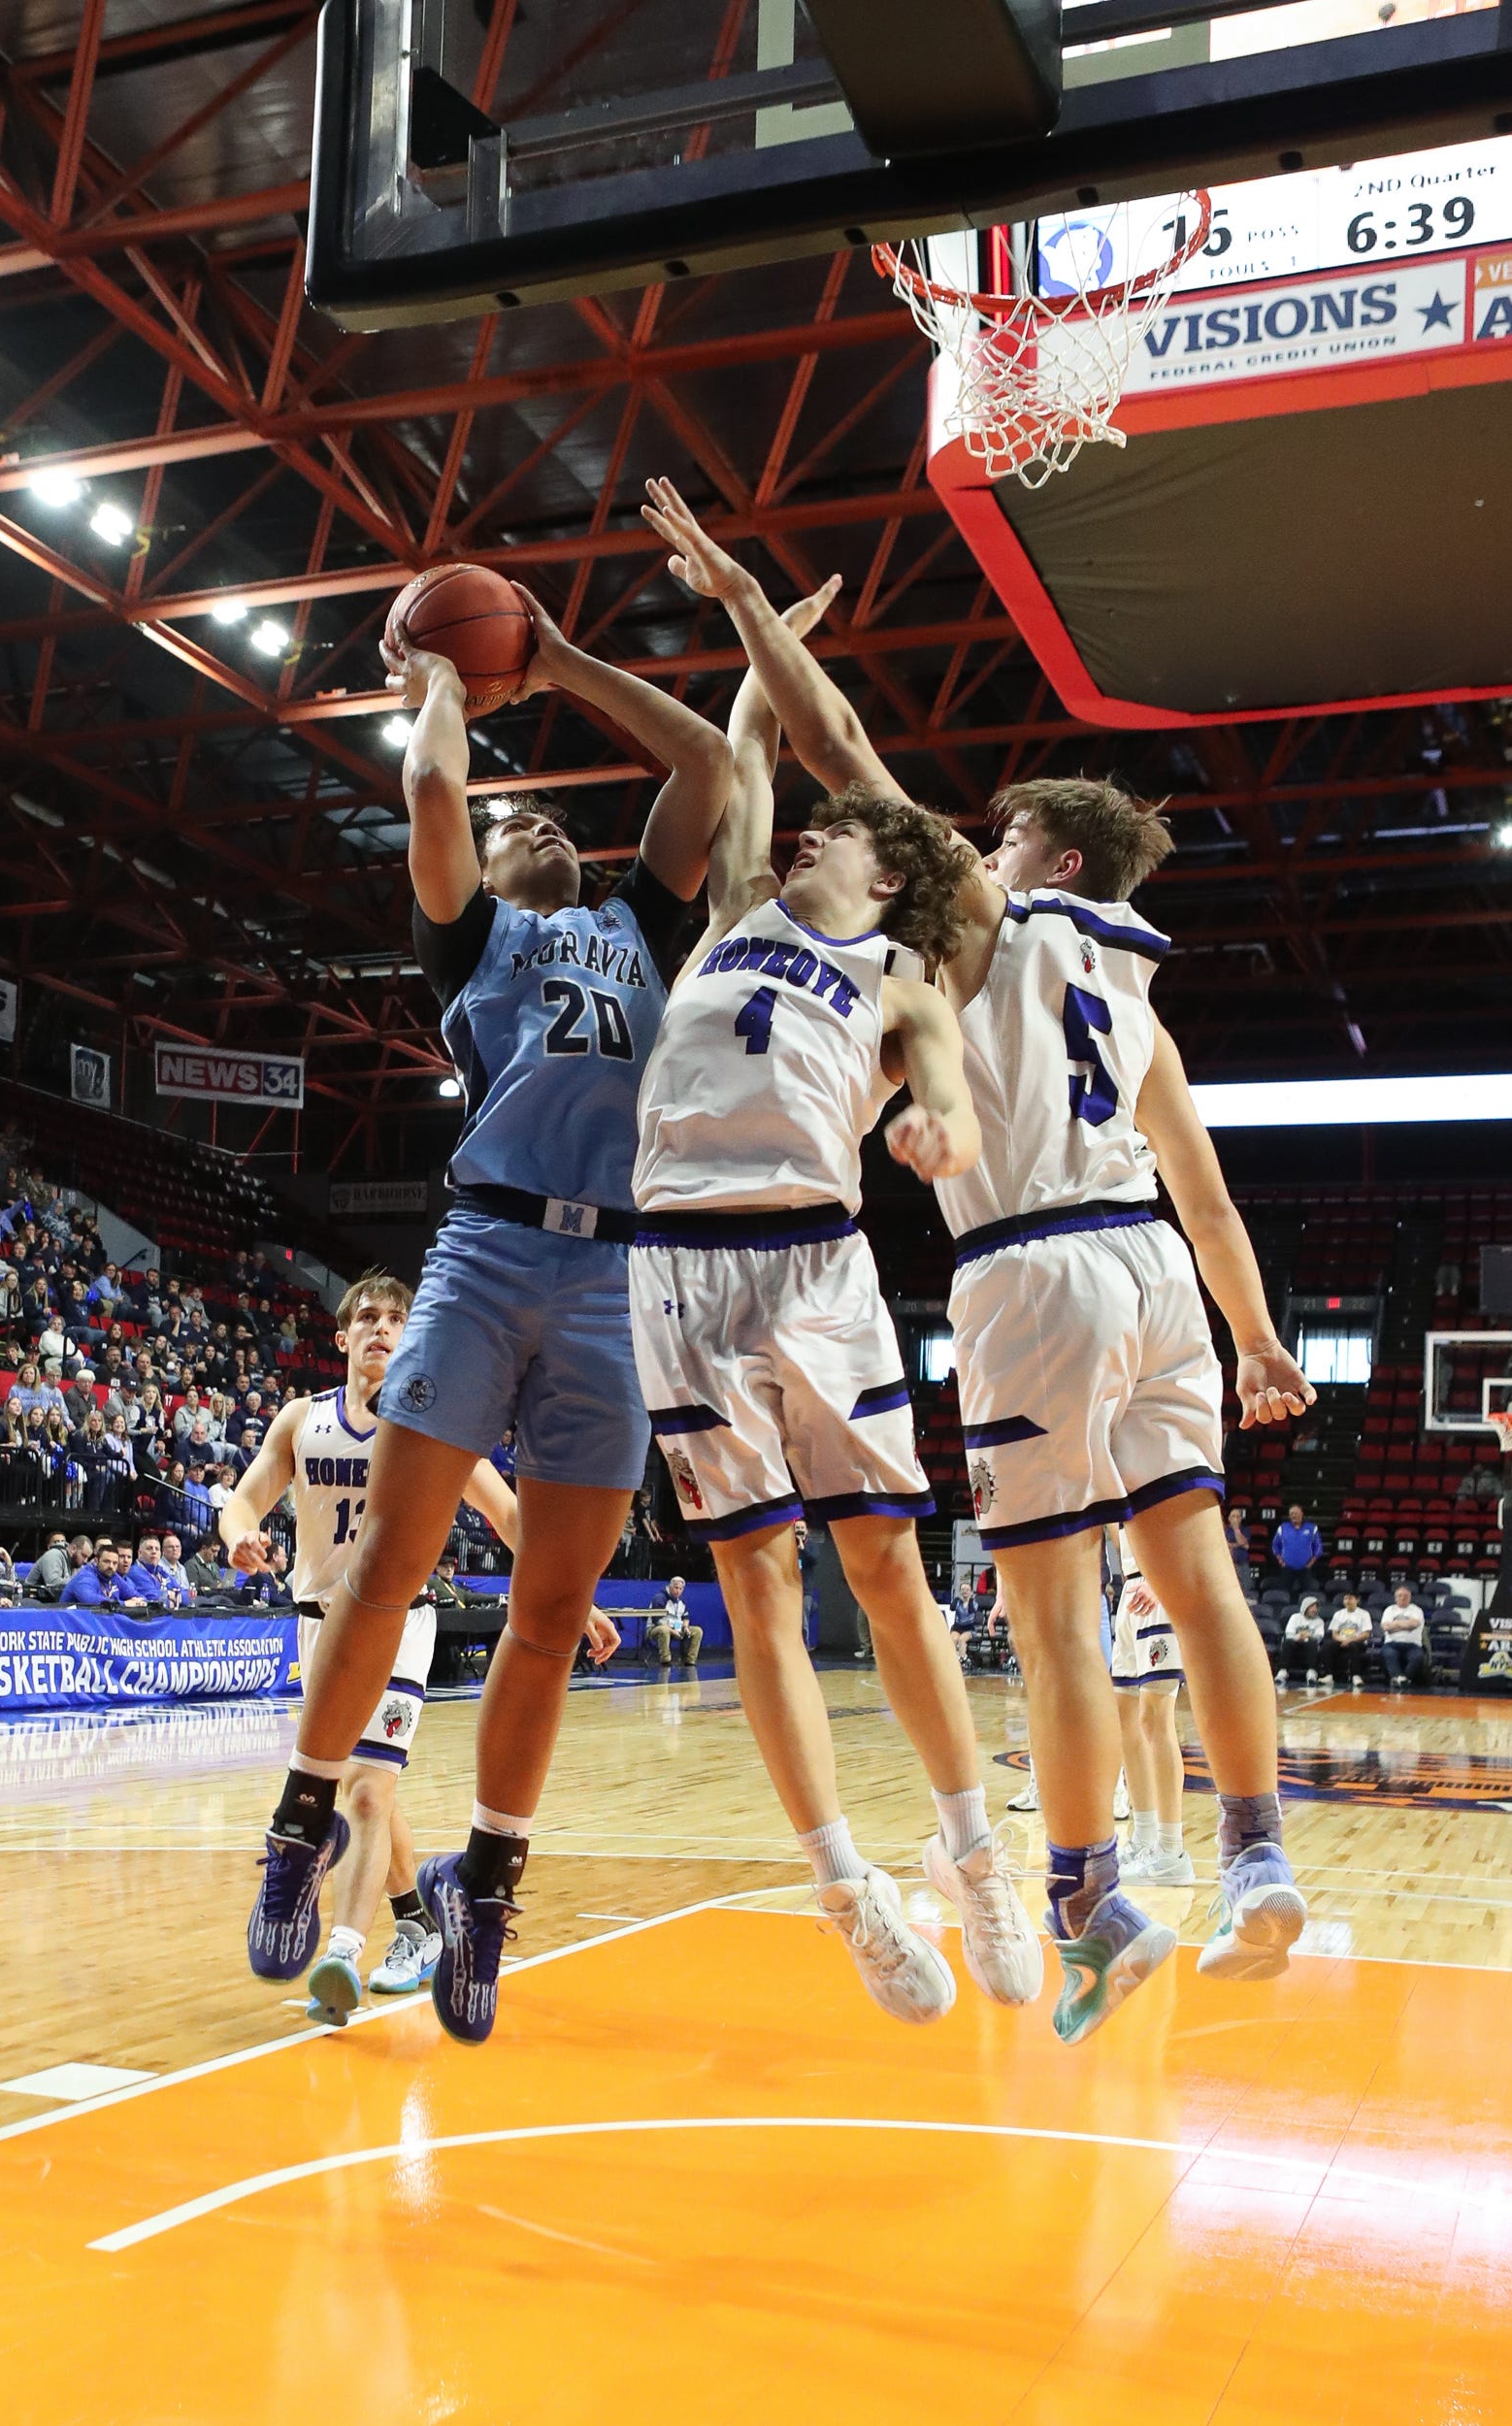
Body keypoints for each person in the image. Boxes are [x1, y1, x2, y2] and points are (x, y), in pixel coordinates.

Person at [652, 493, 1312, 2041]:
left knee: (1055, 1617)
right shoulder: (1133, 996)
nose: (976, 839)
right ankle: (1254, 1852)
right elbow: (1211, 1203)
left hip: (1031, 1273)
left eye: (1002, 832)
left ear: (1048, 853)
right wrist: (1258, 1344)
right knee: (1197, 1579)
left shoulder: (990, 913)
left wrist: (743, 605)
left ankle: (1083, 1896)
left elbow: (833, 745)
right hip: (1156, 1268)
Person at [247, 591, 734, 2048]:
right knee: (388, 1567)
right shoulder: (471, 942)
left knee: (553, 1612)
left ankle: (488, 1885)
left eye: (545, 817)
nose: (534, 824)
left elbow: (706, 763)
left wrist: (562, 661)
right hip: (486, 1251)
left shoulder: (640, 920)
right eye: (514, 820)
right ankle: (300, 1826)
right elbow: (431, 788)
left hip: (612, 1280)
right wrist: (446, 682)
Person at [632, 484, 1042, 2022]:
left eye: (850, 830)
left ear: (886, 875)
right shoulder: (732, 911)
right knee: (752, 1583)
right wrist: (749, 621)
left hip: (813, 1263)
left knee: (878, 1566)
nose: (820, 829)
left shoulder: (901, 975)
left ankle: (969, 1854)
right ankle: (841, 1887)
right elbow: (746, 749)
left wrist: (937, 1130)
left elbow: (947, 1098)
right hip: (671, 1269)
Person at [234, 1275, 531, 2020]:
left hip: (401, 1620)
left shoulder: (434, 1428)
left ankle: (340, 1953)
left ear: (410, 1338)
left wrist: (568, 1591)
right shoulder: (302, 1419)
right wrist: (240, 1535)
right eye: (367, 1317)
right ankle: (418, 1924)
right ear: (343, 1337)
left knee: (366, 1789)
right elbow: (245, 1498)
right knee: (363, 1788)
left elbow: (508, 1516)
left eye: (396, 1319)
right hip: (319, 1624)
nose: (381, 1329)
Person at [1109, 1536, 1194, 1887]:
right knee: (1125, 1716)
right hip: (1131, 1588)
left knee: (1155, 1717)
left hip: (1157, 1585)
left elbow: (1186, 1525)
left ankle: (1172, 1850)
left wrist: (1163, 1578)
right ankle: (1144, 1837)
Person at [646, 1576, 704, 1668]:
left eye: (681, 1589)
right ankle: (666, 1660)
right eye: (676, 1588)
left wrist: (685, 1627)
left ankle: (690, 1660)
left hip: (676, 1628)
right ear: (670, 1587)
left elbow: (685, 1617)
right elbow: (657, 1620)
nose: (678, 1591)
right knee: (664, 1630)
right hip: (656, 1629)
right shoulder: (660, 1598)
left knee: (697, 1631)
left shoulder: (681, 1601)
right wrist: (672, 1631)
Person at [1380, 1586, 1429, 1688]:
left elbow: (1414, 1624)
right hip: (1391, 1644)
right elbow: (1386, 1627)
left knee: (1418, 1656)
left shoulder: (1416, 1610)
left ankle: (1401, 1679)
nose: (1402, 1598)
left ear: (1410, 1598)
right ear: (1395, 1598)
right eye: (1400, 1596)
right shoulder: (1389, 1610)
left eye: (1406, 1596)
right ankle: (1402, 1679)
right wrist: (1406, 1625)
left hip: (1413, 1645)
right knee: (1389, 1654)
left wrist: (1395, 1624)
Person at [1271, 1504, 1323, 1595]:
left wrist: (1310, 1563)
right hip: (1287, 1568)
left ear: (1302, 1514)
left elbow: (1318, 1547)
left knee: (1308, 1595)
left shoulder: (1312, 1528)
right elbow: (1275, 1545)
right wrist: (1280, 1560)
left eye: (1296, 1513)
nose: (1293, 1515)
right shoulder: (1283, 1528)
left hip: (1306, 1569)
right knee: (1284, 1594)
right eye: (1291, 1513)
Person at [1327, 1592, 1372, 1688]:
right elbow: (1334, 1634)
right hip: (1342, 1640)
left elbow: (1366, 1634)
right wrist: (1343, 1640)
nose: (1347, 1601)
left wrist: (1350, 1640)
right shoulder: (1338, 1614)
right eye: (1345, 1599)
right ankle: (1329, 1675)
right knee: (1328, 1645)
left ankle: (1356, 1676)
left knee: (1353, 1645)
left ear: (1357, 1600)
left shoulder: (1364, 1614)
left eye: (1350, 1598)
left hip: (1358, 1641)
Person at [1278, 1595, 1326, 1686]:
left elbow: (1319, 1637)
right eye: (1312, 1607)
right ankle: (1283, 1671)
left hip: (1310, 1643)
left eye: (1316, 1607)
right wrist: (1298, 1637)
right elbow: (1289, 1633)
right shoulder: (1295, 1617)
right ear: (1305, 1607)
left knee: (1312, 1642)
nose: (1314, 1610)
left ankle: (1311, 1672)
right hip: (1295, 1641)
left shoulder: (1319, 1621)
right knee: (1287, 1642)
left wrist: (1308, 1636)